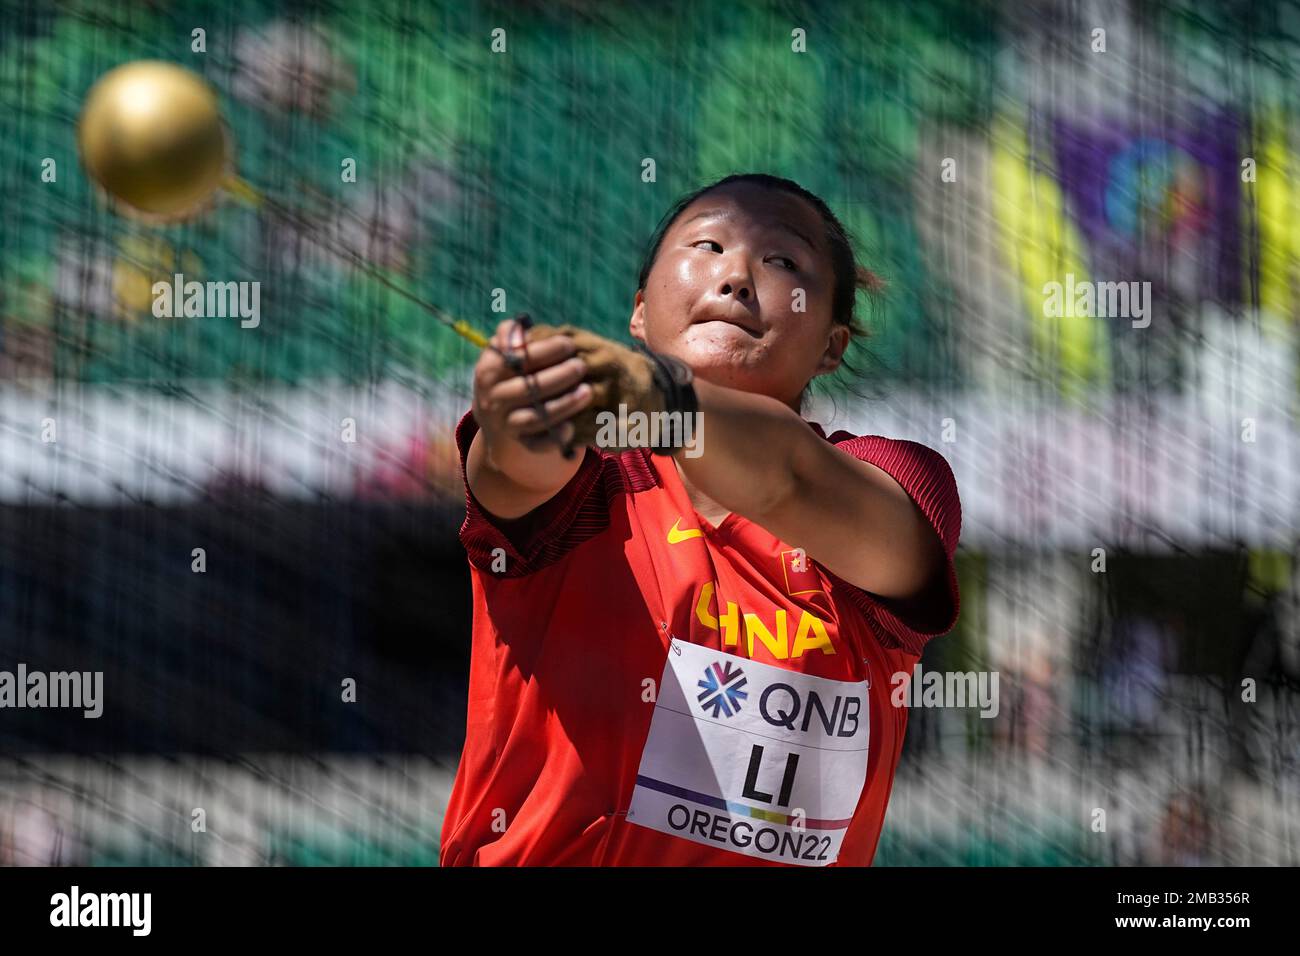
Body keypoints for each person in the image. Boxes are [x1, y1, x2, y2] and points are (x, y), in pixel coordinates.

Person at [440, 173, 961, 866]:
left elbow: (787, 478)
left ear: (832, 346)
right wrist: (517, 419)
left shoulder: (895, 480)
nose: (737, 274)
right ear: (638, 314)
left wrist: (658, 400)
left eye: (782, 261)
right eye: (708, 244)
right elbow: (513, 467)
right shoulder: (588, 479)